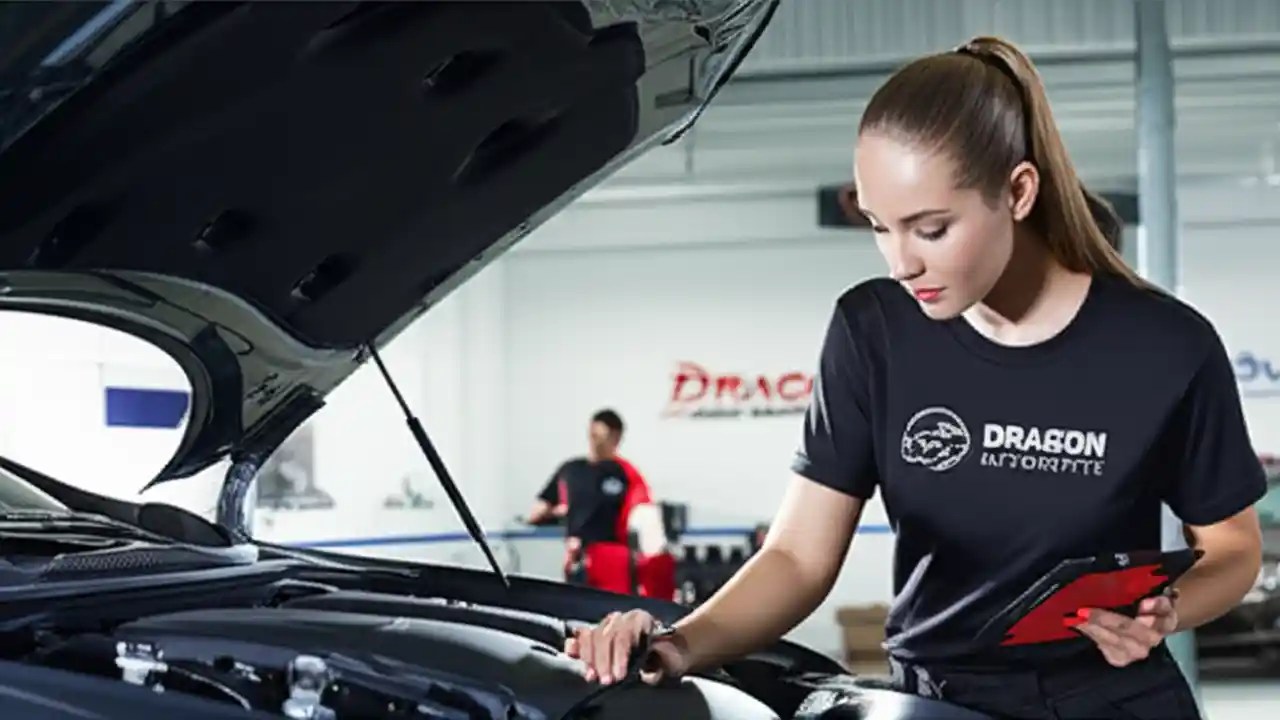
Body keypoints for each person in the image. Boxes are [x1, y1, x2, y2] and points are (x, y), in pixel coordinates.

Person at [565, 36, 1266, 719]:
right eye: (879, 226)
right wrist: (678, 643)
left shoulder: (1166, 347)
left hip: (1110, 699)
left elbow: (1233, 550)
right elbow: (799, 558)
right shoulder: (873, 333)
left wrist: (1165, 611)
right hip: (935, 700)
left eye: (930, 229)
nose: (901, 263)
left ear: (1018, 191)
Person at [527, 409, 653, 590]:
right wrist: (561, 513)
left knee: (613, 604)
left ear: (617, 438)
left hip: (613, 557)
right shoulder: (570, 470)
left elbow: (643, 517)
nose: (596, 442)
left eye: (602, 437)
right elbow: (536, 513)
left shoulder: (626, 473)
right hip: (578, 555)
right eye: (594, 435)